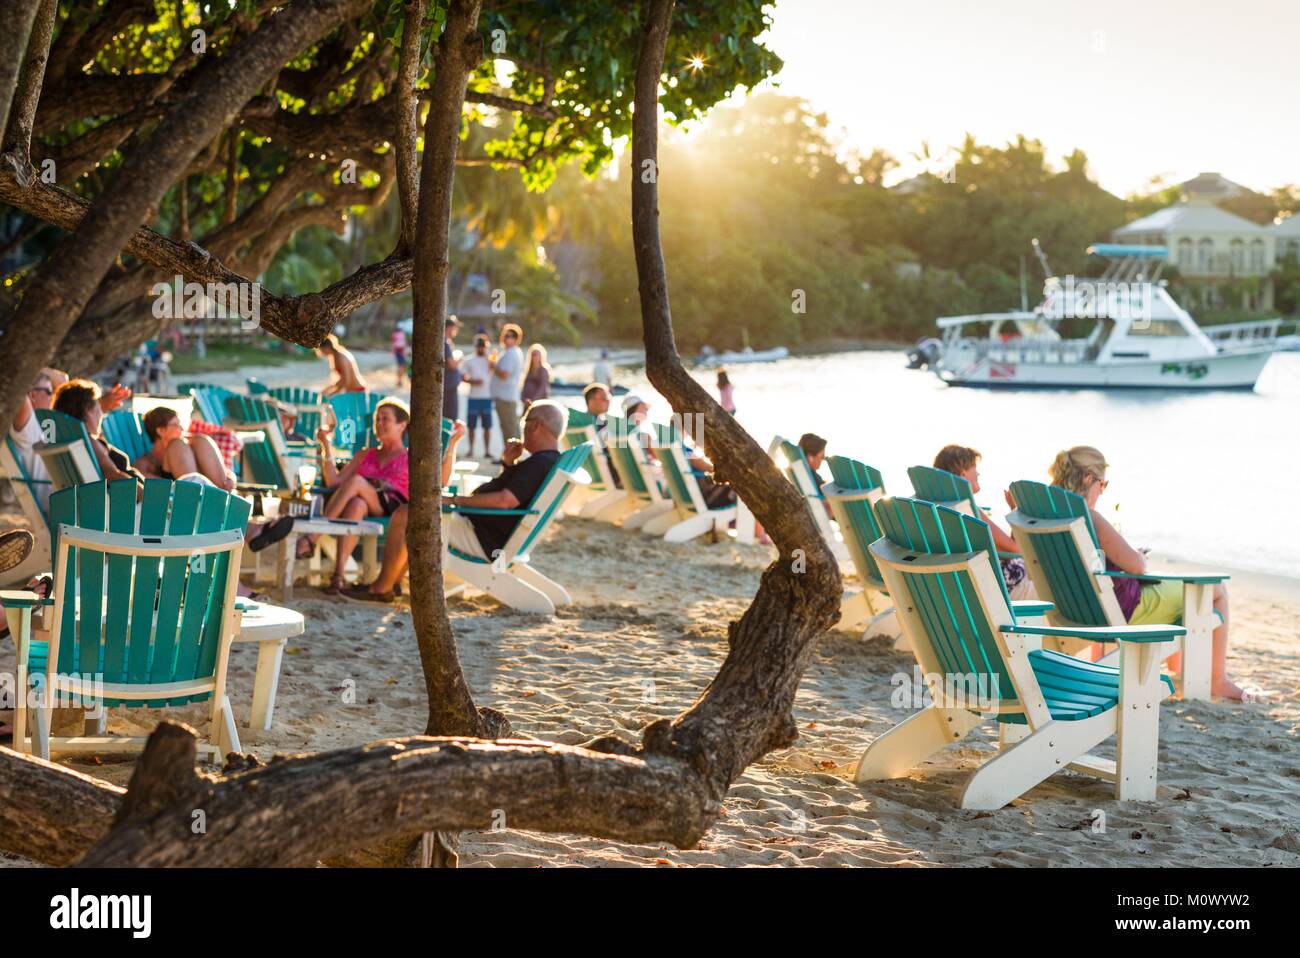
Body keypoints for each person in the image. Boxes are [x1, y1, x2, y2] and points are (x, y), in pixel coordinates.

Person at [1046, 445, 1243, 700]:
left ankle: (1177, 668)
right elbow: (1138, 567)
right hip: (1126, 610)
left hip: (1074, 609)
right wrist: (1137, 555)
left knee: (1179, 594)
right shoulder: (1091, 518)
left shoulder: (1049, 517)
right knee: (1215, 589)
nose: (1101, 491)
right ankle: (1217, 680)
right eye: (1102, 485)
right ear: (1087, 479)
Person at [343, 401, 564, 602]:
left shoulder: (537, 464)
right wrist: (508, 464)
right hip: (491, 532)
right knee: (414, 512)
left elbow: (505, 501)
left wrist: (454, 500)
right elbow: (509, 495)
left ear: (535, 426)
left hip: (484, 537)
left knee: (406, 514)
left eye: (525, 423)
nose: (522, 428)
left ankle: (380, 589)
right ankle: (393, 583)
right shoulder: (545, 461)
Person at [249, 399, 414, 594]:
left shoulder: (409, 456)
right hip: (361, 502)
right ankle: (338, 576)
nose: (379, 424)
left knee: (356, 482)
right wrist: (326, 446)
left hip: (392, 507)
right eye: (377, 419)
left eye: (385, 419)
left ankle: (311, 538)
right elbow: (335, 481)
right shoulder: (365, 454)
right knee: (356, 504)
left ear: (402, 425)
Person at [933, 444, 1035, 600]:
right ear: (963, 474)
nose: (978, 473)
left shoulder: (938, 509)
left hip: (962, 588)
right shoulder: (967, 509)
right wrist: (1016, 511)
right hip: (1004, 587)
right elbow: (1014, 551)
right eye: (974, 467)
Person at [51, 379, 140, 482]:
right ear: (87, 410)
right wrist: (150, 496)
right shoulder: (88, 441)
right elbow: (113, 475)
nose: (101, 412)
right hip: (134, 496)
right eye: (98, 403)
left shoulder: (75, 439)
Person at [135, 406, 236, 489]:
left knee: (199, 440)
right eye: (176, 425)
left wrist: (231, 478)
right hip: (182, 502)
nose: (182, 429)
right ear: (160, 431)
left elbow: (226, 472)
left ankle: (220, 499)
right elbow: (137, 479)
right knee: (177, 445)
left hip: (212, 492)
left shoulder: (191, 448)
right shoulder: (146, 462)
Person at [489, 322, 524, 448]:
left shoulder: (511, 353)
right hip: (506, 396)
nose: (505, 338)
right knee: (510, 429)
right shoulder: (510, 352)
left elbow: (505, 374)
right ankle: (511, 458)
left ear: (516, 339)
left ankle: (511, 460)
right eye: (505, 335)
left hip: (506, 398)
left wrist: (493, 366)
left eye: (509, 336)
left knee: (510, 430)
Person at [461, 334, 494, 457]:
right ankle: (471, 450)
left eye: (483, 346)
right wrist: (472, 381)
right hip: (473, 397)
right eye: (479, 346)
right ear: (475, 347)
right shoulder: (469, 360)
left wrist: (489, 359)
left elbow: (496, 372)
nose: (480, 348)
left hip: (487, 397)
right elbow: (462, 376)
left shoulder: (490, 360)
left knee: (487, 426)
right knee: (471, 426)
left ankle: (487, 451)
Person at [583, 382, 620, 488]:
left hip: (590, 475)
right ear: (591, 401)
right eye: (604, 398)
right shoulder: (599, 425)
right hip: (610, 475)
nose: (608, 401)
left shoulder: (581, 424)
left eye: (609, 397)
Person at [443, 315, 463, 420]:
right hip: (448, 387)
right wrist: (459, 358)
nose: (456, 330)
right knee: (450, 418)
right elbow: (451, 364)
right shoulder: (445, 342)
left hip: (449, 386)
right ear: (449, 327)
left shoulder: (447, 342)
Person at [521, 343, 552, 410]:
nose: (535, 357)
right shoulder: (528, 370)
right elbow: (524, 386)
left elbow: (543, 388)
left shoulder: (543, 370)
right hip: (527, 404)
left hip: (539, 405)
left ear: (541, 356)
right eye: (533, 355)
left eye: (537, 354)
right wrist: (523, 399)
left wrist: (533, 401)